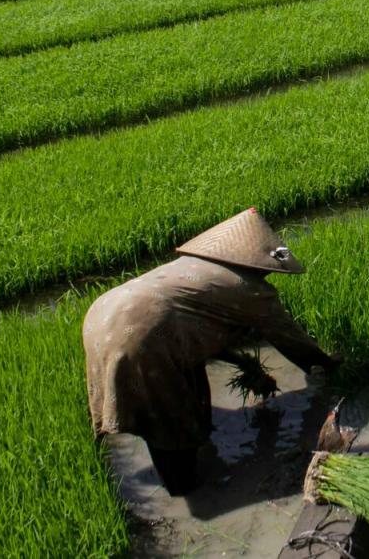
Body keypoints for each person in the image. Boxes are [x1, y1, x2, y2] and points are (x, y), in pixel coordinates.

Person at [83, 208, 340, 496]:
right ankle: (187, 491)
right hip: (147, 340)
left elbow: (192, 328)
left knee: (170, 391)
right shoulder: (249, 289)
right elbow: (290, 339)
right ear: (257, 263)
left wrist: (243, 363)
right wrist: (326, 365)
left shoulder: (192, 267)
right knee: (171, 422)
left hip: (101, 317)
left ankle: (184, 457)